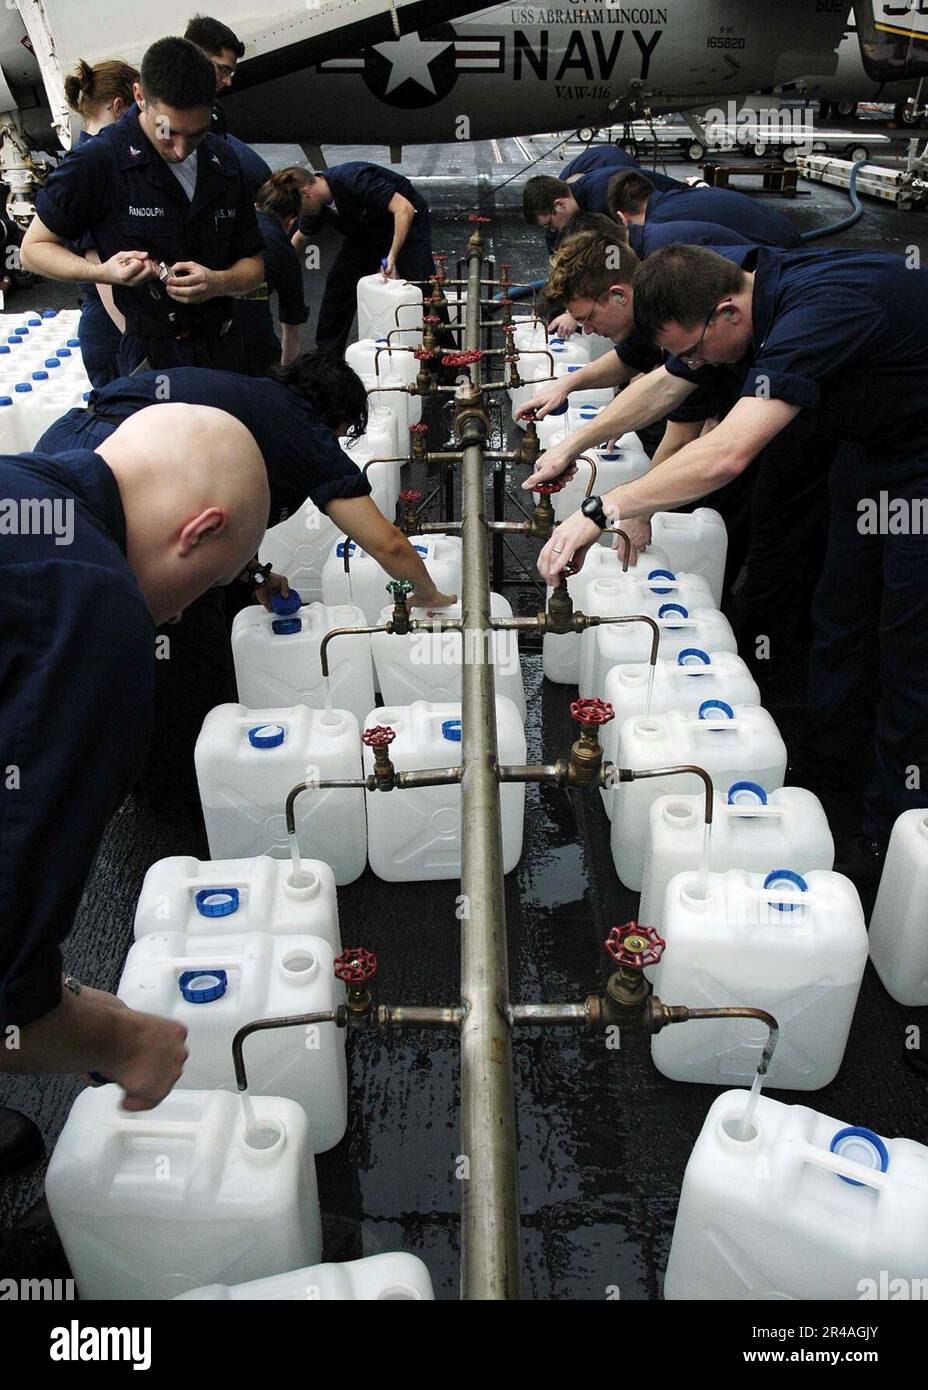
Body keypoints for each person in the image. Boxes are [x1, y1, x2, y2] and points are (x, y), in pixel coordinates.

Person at [527, 241, 928, 888]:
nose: (693, 364)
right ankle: (824, 772)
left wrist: (604, 510)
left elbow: (727, 456)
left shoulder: (816, 312)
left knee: (910, 645)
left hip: (920, 459)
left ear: (725, 314)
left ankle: (891, 831)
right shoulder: (741, 298)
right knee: (840, 613)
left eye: (694, 348)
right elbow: (667, 383)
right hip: (874, 448)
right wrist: (575, 440)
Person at [0, 405, 271, 1169]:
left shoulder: (23, 483)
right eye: (206, 584)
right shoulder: (92, 614)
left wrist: (63, 993)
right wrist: (125, 1044)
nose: (182, 611)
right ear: (200, 530)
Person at [35, 351, 456, 811]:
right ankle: (185, 797)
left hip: (63, 456)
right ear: (336, 417)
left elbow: (214, 509)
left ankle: (144, 763)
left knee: (93, 625)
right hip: (116, 480)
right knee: (184, 646)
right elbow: (387, 543)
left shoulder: (250, 394)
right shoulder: (304, 431)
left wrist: (254, 575)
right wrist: (428, 592)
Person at [21, 37, 264, 375]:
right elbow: (33, 250)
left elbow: (254, 265)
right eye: (169, 132)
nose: (180, 150)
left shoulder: (222, 159)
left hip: (223, 350)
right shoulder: (99, 160)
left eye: (195, 133)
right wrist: (102, 273)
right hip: (152, 357)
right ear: (139, 97)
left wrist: (219, 281)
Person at [284, 163, 436, 357]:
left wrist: (391, 256)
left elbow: (404, 209)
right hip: (365, 232)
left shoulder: (353, 179)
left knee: (421, 286)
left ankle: (446, 363)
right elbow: (301, 236)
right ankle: (326, 358)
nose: (299, 215)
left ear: (306, 193)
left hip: (406, 221)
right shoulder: (314, 206)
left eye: (298, 209)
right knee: (339, 284)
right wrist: (279, 263)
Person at [62, 59, 139, 387]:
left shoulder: (93, 157)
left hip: (113, 321)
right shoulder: (91, 165)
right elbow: (101, 270)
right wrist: (132, 339)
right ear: (119, 106)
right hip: (112, 326)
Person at [184, 13, 272, 196]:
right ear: (195, 56)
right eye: (223, 69)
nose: (228, 82)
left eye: (230, 73)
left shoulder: (214, 110)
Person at [607, 169, 802, 249]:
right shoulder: (680, 196)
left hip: (781, 259)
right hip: (790, 239)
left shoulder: (660, 226)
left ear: (623, 217)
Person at [241, 173, 311, 376]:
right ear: (291, 221)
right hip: (251, 337)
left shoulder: (229, 218)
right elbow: (291, 330)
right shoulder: (283, 251)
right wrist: (284, 378)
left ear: (256, 203)